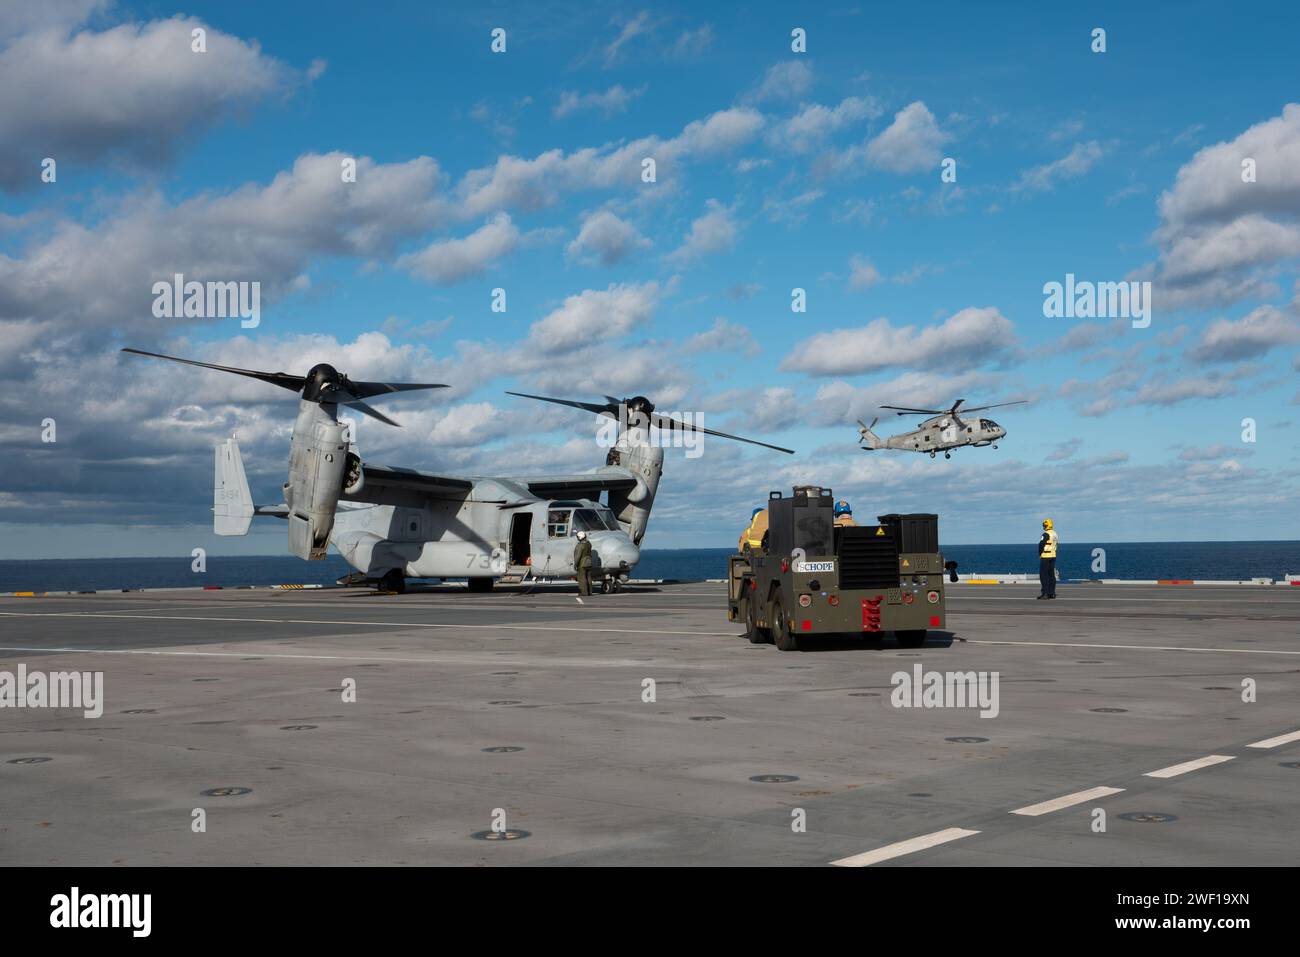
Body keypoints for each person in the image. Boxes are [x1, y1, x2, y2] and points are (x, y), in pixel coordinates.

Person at [1037, 518, 1058, 599]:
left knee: (1043, 575)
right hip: (1053, 556)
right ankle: (1051, 593)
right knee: (1051, 575)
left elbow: (1041, 544)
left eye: (1045, 525)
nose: (1044, 527)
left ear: (1048, 525)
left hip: (1045, 556)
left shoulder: (1045, 534)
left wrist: (1040, 554)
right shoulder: (1055, 534)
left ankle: (1045, 593)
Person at [574, 530, 593, 596]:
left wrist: (575, 564)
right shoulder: (589, 543)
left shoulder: (580, 545)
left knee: (582, 578)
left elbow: (577, 556)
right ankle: (590, 592)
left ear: (579, 538)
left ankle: (584, 592)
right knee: (588, 578)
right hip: (589, 562)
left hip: (582, 564)